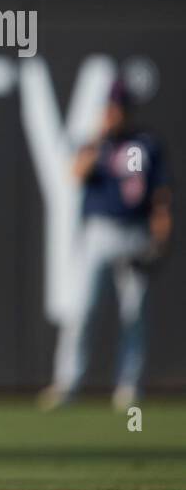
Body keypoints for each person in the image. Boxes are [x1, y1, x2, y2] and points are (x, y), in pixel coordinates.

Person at [41, 78, 172, 411]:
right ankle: (68, 383)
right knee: (83, 309)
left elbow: (160, 196)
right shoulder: (96, 144)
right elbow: (75, 173)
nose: (113, 113)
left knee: (134, 313)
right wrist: (99, 138)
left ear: (128, 110)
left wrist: (160, 237)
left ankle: (128, 390)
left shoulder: (146, 144)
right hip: (99, 233)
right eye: (109, 107)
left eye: (118, 107)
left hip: (136, 232)